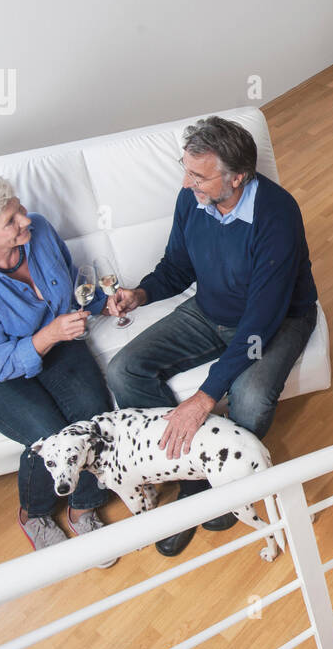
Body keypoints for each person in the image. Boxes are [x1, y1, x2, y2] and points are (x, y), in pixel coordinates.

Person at [105, 115, 318, 557]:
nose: (187, 183)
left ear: (237, 177)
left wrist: (202, 400)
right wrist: (140, 294)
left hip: (276, 322)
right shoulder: (193, 200)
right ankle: (189, 470)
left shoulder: (276, 215)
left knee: (252, 395)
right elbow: (177, 267)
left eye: (198, 175)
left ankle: (213, 485)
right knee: (123, 369)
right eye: (185, 169)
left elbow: (260, 320)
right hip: (210, 310)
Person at [0, 172, 115, 561]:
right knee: (49, 437)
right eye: (11, 222)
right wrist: (50, 334)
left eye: (18, 208)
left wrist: (104, 302)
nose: (25, 220)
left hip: (56, 341)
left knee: (94, 417)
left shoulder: (40, 230)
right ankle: (34, 514)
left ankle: (85, 507)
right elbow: (0, 362)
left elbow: (70, 285)